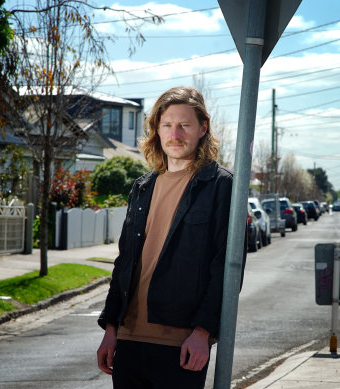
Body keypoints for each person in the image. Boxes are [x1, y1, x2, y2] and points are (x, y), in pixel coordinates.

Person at [96, 86, 242, 388]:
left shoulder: (221, 186)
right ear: (157, 130)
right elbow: (125, 262)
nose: (175, 134)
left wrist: (203, 332)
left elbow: (225, 269)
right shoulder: (142, 187)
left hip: (181, 344)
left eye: (185, 125)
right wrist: (111, 326)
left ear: (203, 129)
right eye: (167, 125)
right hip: (128, 341)